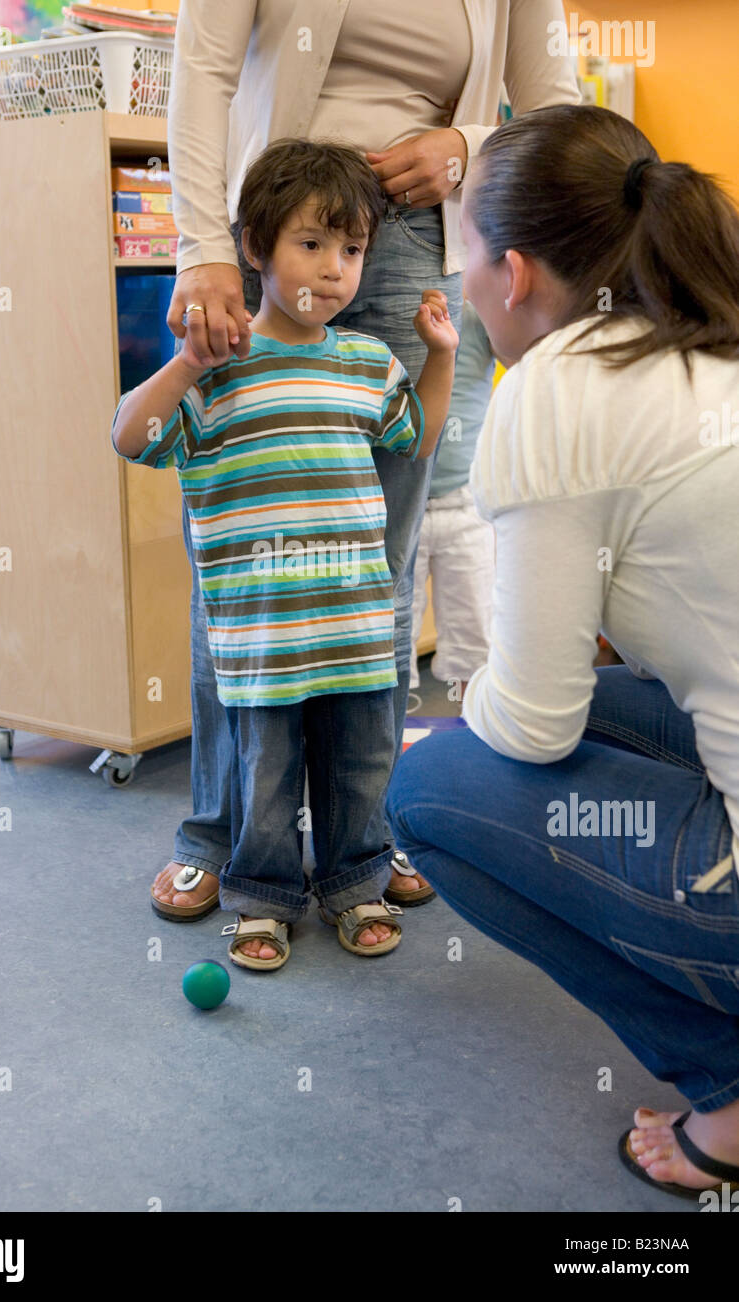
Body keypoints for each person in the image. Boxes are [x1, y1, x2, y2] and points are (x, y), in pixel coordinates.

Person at [152, 0, 584, 922]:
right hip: (264, 233)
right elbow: (204, 67)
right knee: (238, 550)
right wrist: (200, 246)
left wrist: (466, 148)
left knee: (373, 568)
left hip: (404, 254)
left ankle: (359, 832)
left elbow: (560, 119)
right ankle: (217, 829)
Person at [386, 103, 739, 1200]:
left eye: (464, 251)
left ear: (518, 271)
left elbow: (528, 719)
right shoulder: (706, 336)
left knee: (429, 788)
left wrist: (441, 718)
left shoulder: (555, 383)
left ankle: (725, 1093)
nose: (459, 278)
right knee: (608, 698)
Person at [113, 140, 457, 968]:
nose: (336, 270)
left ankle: (356, 882)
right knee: (265, 775)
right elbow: (131, 437)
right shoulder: (220, 374)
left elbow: (417, 440)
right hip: (261, 637)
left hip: (357, 627)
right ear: (255, 249)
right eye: (312, 245)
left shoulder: (368, 363)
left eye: (352, 250)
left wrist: (439, 356)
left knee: (361, 764)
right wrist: (187, 365)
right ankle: (260, 897)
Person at [409, 300, 496, 702]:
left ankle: (472, 739)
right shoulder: (392, 300)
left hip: (466, 505)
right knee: (392, 641)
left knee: (474, 641)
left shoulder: (478, 312)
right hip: (399, 502)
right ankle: (388, 751)